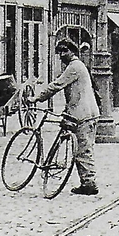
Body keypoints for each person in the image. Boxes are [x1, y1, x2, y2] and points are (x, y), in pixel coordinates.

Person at [29, 39, 100, 195]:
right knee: (82, 147)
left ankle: (89, 183)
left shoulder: (74, 67)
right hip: (80, 112)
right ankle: (87, 181)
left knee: (83, 149)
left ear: (72, 51)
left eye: (64, 51)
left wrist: (37, 98)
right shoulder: (75, 66)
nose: (61, 55)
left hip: (83, 114)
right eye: (59, 52)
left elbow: (57, 85)